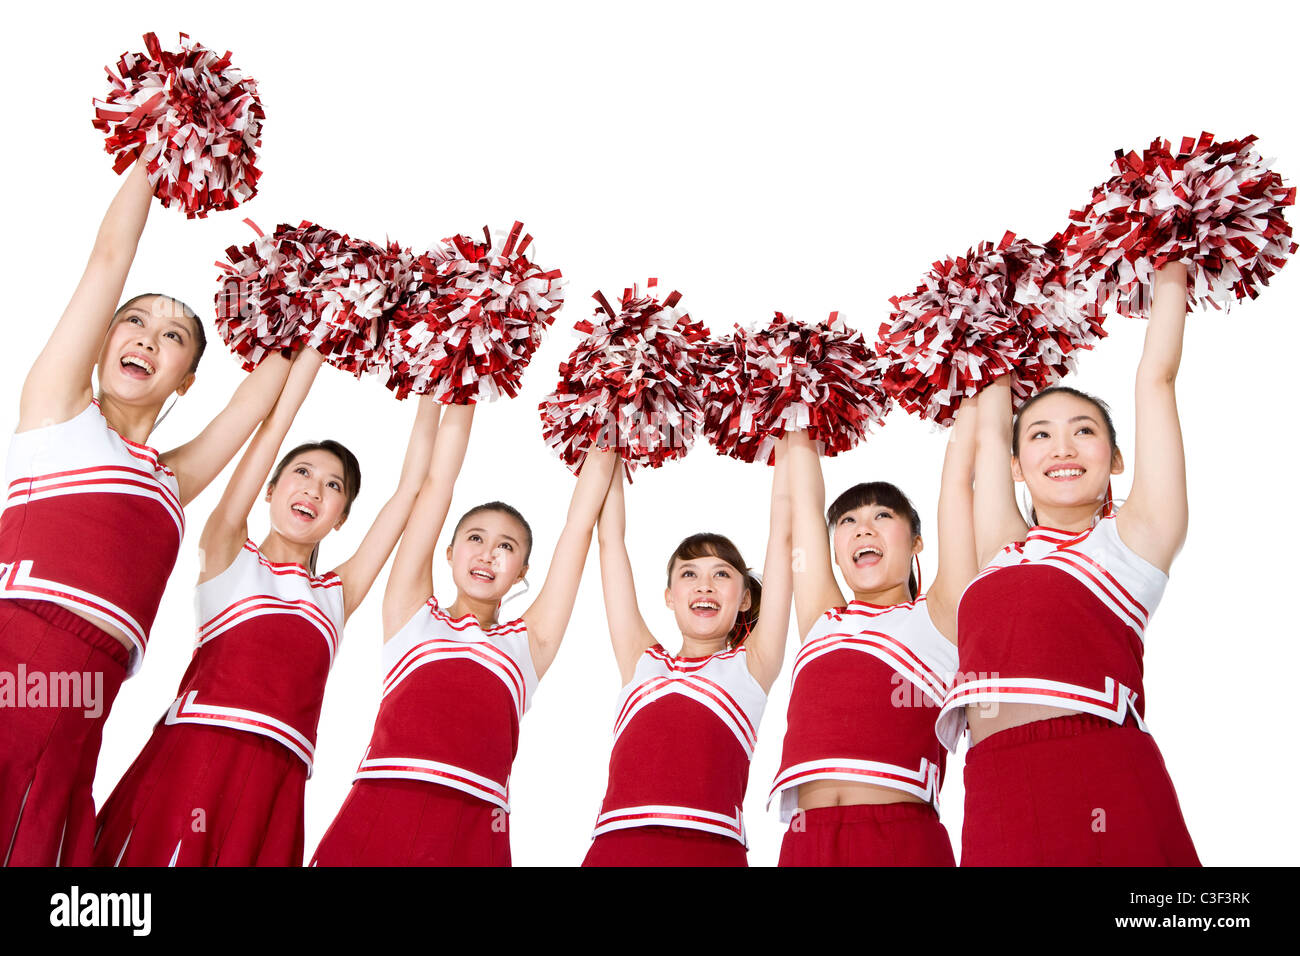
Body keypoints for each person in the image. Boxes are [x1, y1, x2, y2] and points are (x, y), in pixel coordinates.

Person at [0, 160, 295, 866]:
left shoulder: (172, 480)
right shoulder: (58, 415)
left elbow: (254, 405)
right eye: (133, 321)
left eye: (173, 337)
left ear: (186, 380)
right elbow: (109, 259)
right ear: (100, 342)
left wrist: (309, 309)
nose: (146, 338)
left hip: (87, 696)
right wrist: (155, 153)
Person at [92, 347, 441, 865]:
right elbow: (273, 428)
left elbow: (413, 488)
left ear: (341, 517)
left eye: (333, 486)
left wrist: (441, 369)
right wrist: (319, 342)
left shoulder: (336, 594)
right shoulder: (228, 550)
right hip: (194, 753)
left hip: (277, 777)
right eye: (301, 474)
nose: (313, 490)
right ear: (270, 489)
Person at [935, 261, 1200, 865]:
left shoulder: (1134, 538)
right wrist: (986, 316)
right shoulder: (1001, 548)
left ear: (1114, 460)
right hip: (995, 783)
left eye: (1084, 432)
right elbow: (987, 428)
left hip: (1099, 763)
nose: (1062, 447)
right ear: (1015, 466)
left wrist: (1172, 257)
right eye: (1040, 436)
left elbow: (1155, 380)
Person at [311, 411, 617, 867]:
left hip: (474, 825)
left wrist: (611, 403)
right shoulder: (412, 614)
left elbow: (579, 526)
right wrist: (460, 375)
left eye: (506, 547)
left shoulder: (528, 644)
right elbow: (437, 483)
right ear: (450, 553)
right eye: (475, 538)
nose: (488, 554)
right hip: (383, 808)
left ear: (521, 573)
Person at [768, 402, 977, 866]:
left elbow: (958, 489)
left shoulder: (937, 616)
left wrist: (972, 382)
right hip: (806, 844)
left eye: (883, 516)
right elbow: (805, 504)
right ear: (835, 552)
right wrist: (795, 390)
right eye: (847, 522)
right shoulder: (823, 620)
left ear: (916, 542)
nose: (863, 527)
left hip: (899, 840)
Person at [582, 441, 792, 866]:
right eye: (689, 574)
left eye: (721, 574)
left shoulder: (751, 665)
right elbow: (609, 541)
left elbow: (784, 539)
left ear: (746, 600)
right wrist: (614, 428)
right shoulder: (642, 661)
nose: (704, 585)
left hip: (710, 848)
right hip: (617, 845)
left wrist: (787, 430)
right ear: (670, 596)